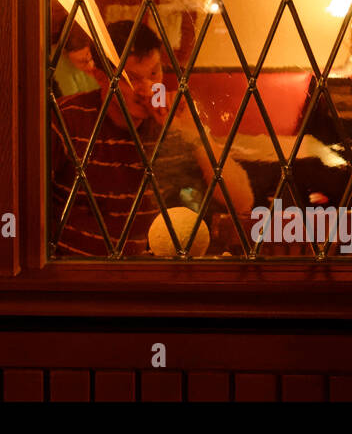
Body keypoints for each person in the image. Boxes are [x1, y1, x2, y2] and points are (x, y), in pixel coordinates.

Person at [49, 19, 253, 257]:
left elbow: (241, 201)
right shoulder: (67, 119)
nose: (148, 88)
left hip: (143, 271)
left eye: (154, 73)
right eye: (131, 78)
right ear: (101, 77)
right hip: (75, 272)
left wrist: (195, 136)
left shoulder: (170, 123)